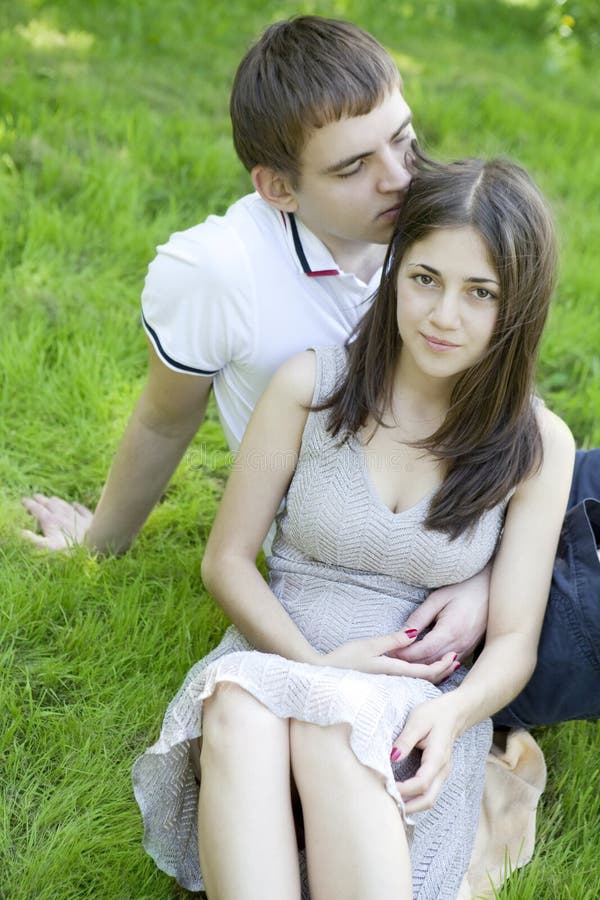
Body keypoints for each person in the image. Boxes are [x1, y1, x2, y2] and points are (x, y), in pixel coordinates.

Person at [21, 16, 600, 726]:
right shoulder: (218, 272)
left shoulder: (420, 217)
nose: (399, 177)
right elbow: (164, 418)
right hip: (359, 552)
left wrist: (489, 576)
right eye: (352, 167)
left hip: (465, 502)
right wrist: (99, 544)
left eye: (403, 138)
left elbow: (492, 388)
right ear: (279, 188)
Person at [132, 150, 574, 899]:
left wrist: (454, 713)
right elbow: (227, 560)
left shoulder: (537, 445)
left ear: (519, 305)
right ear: (395, 271)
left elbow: (512, 643)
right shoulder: (310, 386)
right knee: (236, 703)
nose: (443, 315)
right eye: (425, 278)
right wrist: (317, 663)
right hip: (281, 649)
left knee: (335, 726)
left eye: (480, 293)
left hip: (409, 696)